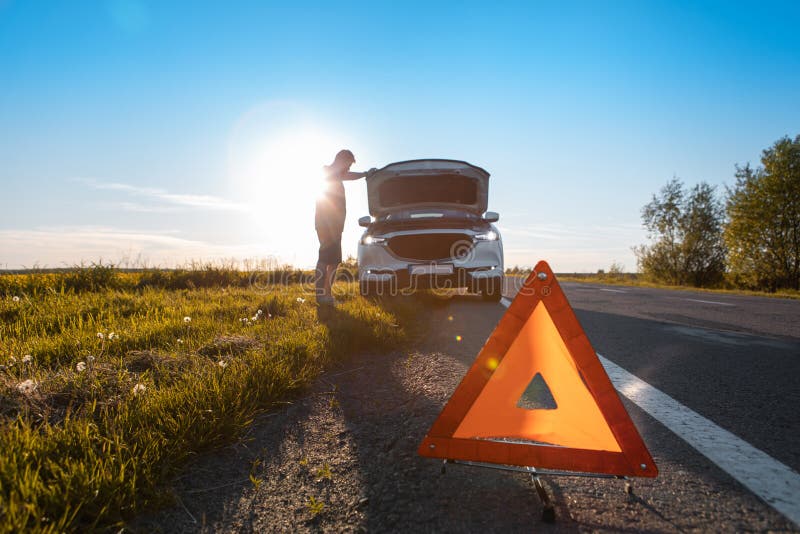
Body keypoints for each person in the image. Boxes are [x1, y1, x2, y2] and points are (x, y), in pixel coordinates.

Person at [315, 149, 375, 305]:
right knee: (325, 258)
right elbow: (345, 175)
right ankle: (322, 296)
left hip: (334, 225)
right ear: (342, 160)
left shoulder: (335, 174)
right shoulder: (327, 171)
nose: (348, 169)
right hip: (328, 224)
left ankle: (327, 296)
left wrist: (364, 174)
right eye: (347, 165)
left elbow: (345, 175)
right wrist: (364, 174)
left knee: (334, 260)